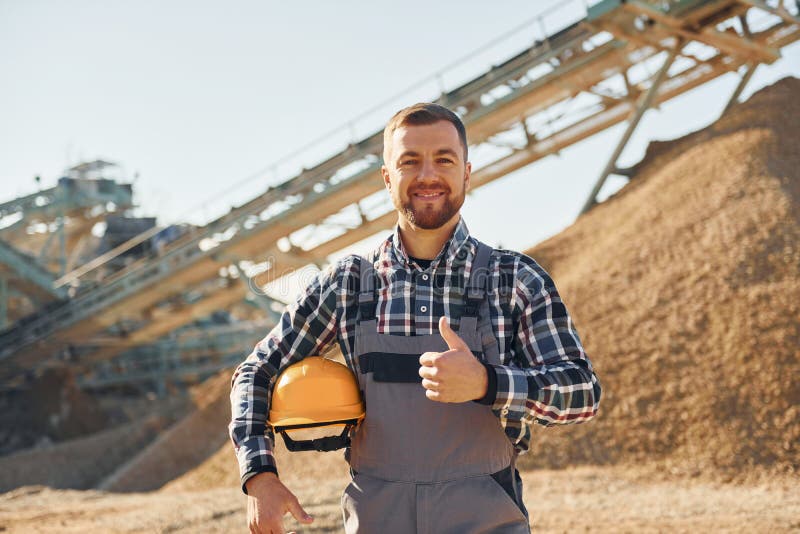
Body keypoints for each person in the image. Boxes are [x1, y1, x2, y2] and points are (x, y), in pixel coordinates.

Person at [229, 103, 602, 533]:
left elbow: (582, 392)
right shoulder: (348, 284)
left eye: (444, 159)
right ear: (388, 178)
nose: (427, 175)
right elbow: (256, 371)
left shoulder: (515, 279)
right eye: (410, 161)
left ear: (466, 172)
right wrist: (259, 475)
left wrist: (488, 383)